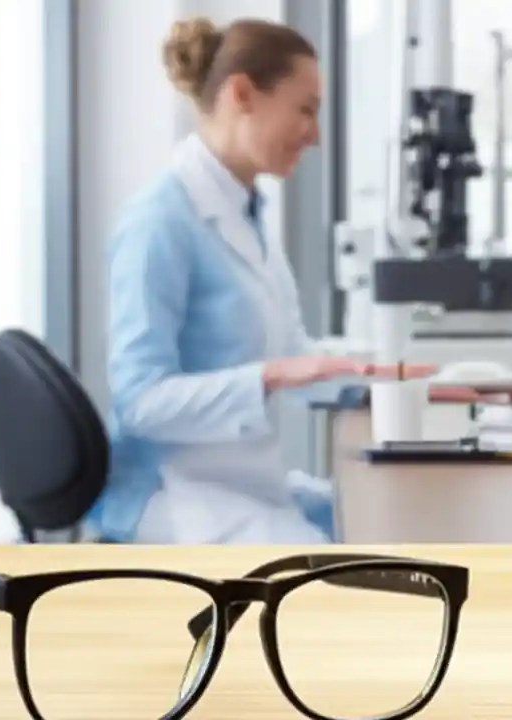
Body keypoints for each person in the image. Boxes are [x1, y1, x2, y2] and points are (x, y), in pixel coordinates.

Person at [85, 17, 433, 545]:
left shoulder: (243, 213)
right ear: (243, 94)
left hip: (238, 485)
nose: (315, 135)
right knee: (353, 568)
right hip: (168, 497)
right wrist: (267, 376)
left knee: (393, 530)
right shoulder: (158, 222)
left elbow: (296, 354)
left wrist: (401, 382)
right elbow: (140, 403)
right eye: (306, 110)